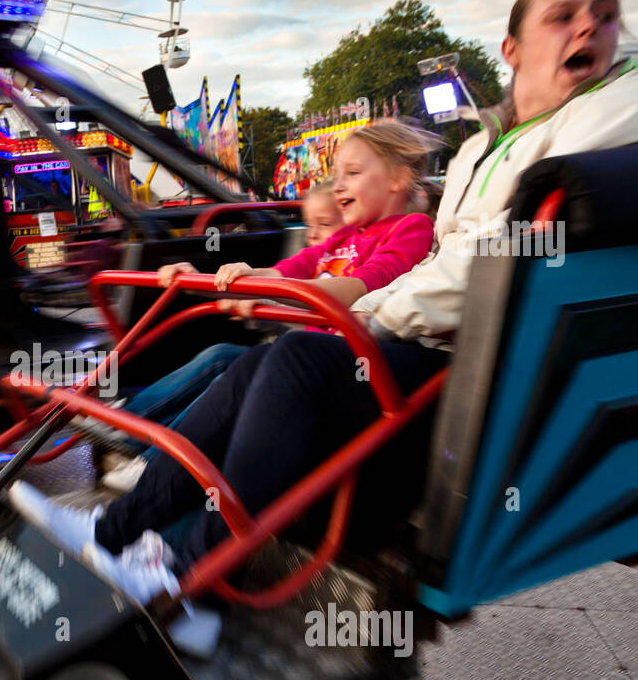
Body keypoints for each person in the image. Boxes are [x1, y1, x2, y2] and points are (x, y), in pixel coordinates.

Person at [12, 0, 638, 657]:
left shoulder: (615, 114)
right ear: (513, 48)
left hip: (494, 377)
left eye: (605, 15)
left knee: (296, 365)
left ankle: (185, 569)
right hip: (462, 347)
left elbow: (471, 271)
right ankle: (119, 533)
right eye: (563, 16)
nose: (589, 28)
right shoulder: (488, 147)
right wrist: (293, 295)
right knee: (256, 363)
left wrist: (359, 314)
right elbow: (420, 265)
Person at [102, 122, 438, 491]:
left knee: (229, 366)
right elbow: (280, 273)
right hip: (304, 358)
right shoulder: (343, 237)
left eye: (353, 173)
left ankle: (150, 458)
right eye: (337, 175)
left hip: (349, 364)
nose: (338, 184)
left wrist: (275, 286)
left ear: (399, 179)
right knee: (224, 357)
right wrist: (205, 279)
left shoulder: (411, 228)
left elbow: (366, 284)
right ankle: (128, 429)